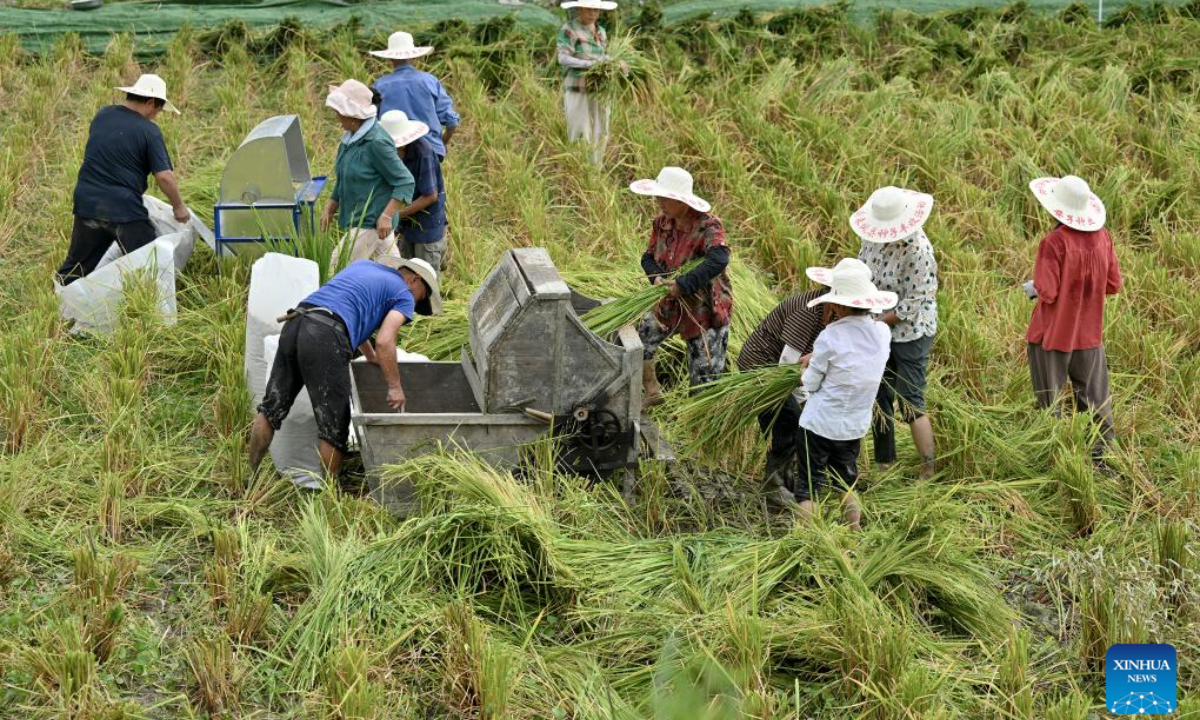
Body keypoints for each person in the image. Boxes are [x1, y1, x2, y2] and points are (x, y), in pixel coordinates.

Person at [250, 257, 444, 482]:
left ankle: (250, 478)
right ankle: (329, 498)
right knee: (334, 428)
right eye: (422, 295)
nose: (416, 303)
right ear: (415, 279)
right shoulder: (404, 294)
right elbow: (384, 340)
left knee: (270, 409)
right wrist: (394, 386)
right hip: (325, 336)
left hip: (297, 320)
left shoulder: (365, 267)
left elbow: (349, 311)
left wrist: (370, 357)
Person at [1026, 175, 1122, 468]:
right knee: (1096, 400)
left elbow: (1049, 291)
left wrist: (1033, 287)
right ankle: (1101, 461)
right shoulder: (1103, 237)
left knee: (1050, 402)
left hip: (1052, 336)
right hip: (1089, 334)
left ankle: (1057, 460)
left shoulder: (1054, 243)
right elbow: (1113, 284)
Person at [57, 74, 189, 285]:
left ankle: (61, 308)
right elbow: (164, 177)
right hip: (123, 209)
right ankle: (149, 311)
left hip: (87, 202)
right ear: (150, 102)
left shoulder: (103, 115)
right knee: (149, 264)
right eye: (158, 110)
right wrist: (178, 206)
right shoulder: (149, 131)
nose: (156, 115)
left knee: (76, 267)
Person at [796, 258, 897, 530]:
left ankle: (804, 542)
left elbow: (812, 384)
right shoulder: (882, 333)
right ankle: (854, 532)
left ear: (839, 304)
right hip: (853, 426)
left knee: (809, 485)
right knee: (846, 482)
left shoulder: (830, 336)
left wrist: (804, 372)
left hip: (819, 425)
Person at [853, 186, 939, 479]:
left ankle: (928, 468)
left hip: (911, 332)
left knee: (911, 400)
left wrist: (878, 322)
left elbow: (914, 302)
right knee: (879, 397)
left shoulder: (918, 250)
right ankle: (884, 464)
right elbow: (863, 273)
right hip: (876, 326)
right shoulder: (871, 239)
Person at [630, 166, 733, 405]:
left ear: (682, 201)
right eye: (658, 196)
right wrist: (655, 277)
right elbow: (647, 257)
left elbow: (719, 258)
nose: (659, 202)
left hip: (704, 310)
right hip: (668, 302)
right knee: (639, 341)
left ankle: (699, 423)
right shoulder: (662, 223)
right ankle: (652, 391)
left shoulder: (708, 226)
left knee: (704, 375)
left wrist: (683, 284)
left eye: (665, 198)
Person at [737, 286, 831, 504]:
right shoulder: (806, 313)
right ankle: (773, 484)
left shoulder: (827, 311)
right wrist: (803, 399)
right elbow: (786, 366)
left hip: (782, 371)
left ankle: (785, 475)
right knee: (789, 420)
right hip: (760, 369)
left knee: (790, 422)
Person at [321, 80, 415, 267]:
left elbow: (405, 181)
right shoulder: (349, 141)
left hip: (370, 223)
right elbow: (344, 178)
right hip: (371, 225)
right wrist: (330, 207)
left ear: (352, 114)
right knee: (393, 272)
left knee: (336, 269)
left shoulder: (376, 142)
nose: (336, 115)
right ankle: (408, 295)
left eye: (339, 111)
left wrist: (386, 216)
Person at [370, 32, 460, 161]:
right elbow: (452, 122)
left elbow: (371, 124)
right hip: (430, 150)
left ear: (390, 59)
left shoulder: (380, 85)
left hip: (393, 154)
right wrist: (442, 144)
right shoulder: (430, 81)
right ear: (414, 57)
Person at [379, 110, 448, 273]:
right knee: (405, 272)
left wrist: (395, 215)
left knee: (425, 275)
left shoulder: (422, 152)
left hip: (426, 224)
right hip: (406, 224)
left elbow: (430, 196)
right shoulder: (388, 153)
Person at [557, 0, 618, 165]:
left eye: (596, 10)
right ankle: (578, 170)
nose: (593, 13)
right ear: (579, 9)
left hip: (599, 88)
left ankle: (595, 170)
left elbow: (604, 56)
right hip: (577, 88)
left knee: (602, 128)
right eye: (588, 9)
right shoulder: (569, 29)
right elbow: (562, 58)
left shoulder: (601, 32)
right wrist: (588, 64)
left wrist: (615, 63)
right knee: (580, 130)